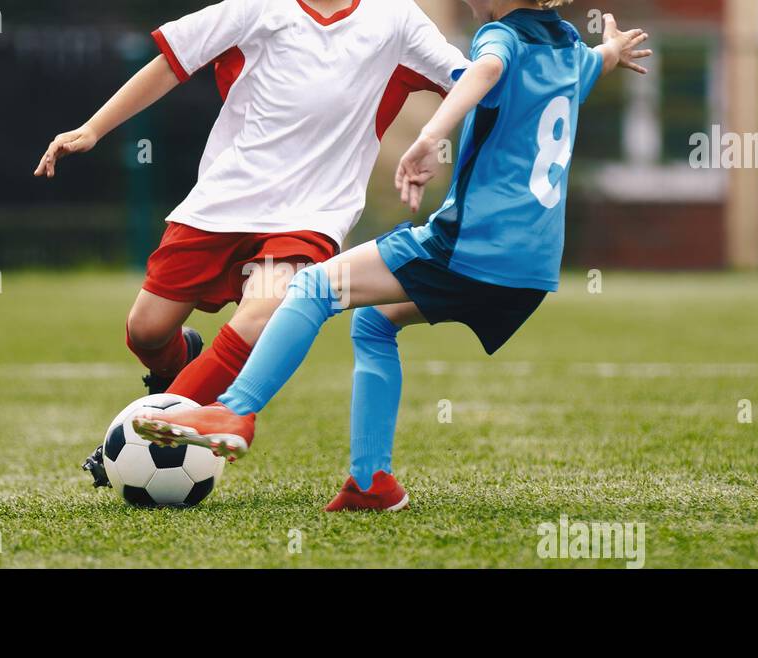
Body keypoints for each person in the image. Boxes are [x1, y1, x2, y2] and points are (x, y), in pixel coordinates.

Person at [132, 0, 651, 511]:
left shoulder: (501, 38)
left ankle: (235, 411)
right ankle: (371, 482)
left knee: (312, 289)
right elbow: (591, 65)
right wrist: (609, 50)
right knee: (375, 325)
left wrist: (429, 136)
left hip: (470, 246)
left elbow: (485, 71)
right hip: (533, 269)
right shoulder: (565, 48)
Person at [32, 0, 470, 487]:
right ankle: (180, 371)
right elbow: (174, 60)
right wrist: (93, 129)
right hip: (222, 202)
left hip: (311, 213)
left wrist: (436, 137)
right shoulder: (258, 7)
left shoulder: (397, 19)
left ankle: (142, 435)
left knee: (257, 318)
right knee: (146, 331)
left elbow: (473, 83)